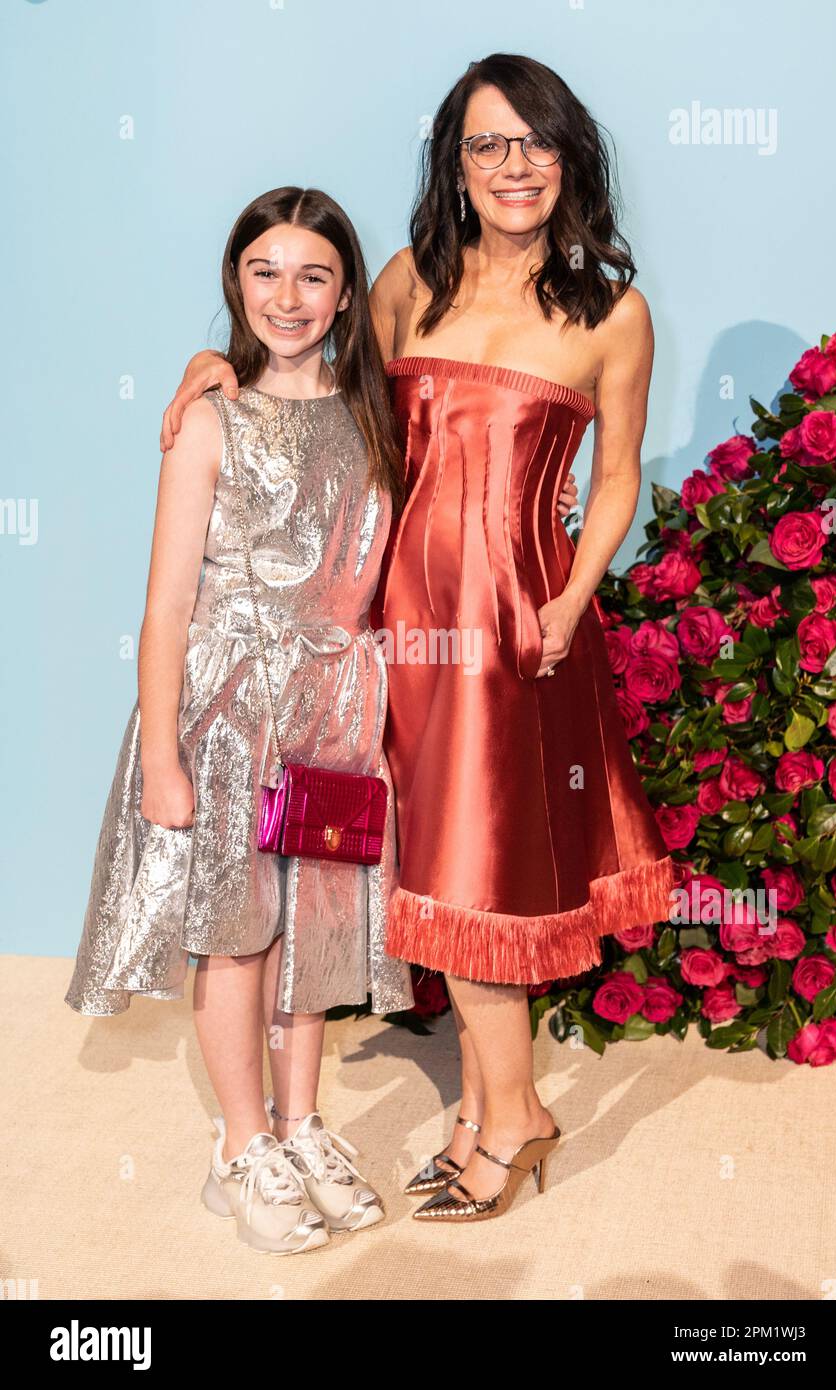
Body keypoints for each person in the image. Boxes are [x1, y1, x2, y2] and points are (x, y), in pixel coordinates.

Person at [158, 54, 675, 1225]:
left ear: (569, 158)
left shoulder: (609, 311)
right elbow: (319, 385)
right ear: (453, 162)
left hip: (507, 626)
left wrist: (574, 593)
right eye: (486, 145)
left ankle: (510, 1119)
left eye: (534, 144)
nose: (512, 167)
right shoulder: (404, 283)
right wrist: (216, 366)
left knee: (478, 874)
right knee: (419, 867)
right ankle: (502, 1107)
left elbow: (616, 479)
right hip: (382, 618)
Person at [65, 186, 415, 1254]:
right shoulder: (209, 419)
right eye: (264, 271)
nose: (287, 295)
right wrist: (165, 757)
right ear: (236, 284)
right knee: (234, 930)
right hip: (225, 714)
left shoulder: (372, 415)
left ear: (347, 290)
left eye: (313, 274)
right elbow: (165, 602)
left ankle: (301, 1124)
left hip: (334, 701)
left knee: (309, 921)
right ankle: (239, 1146)